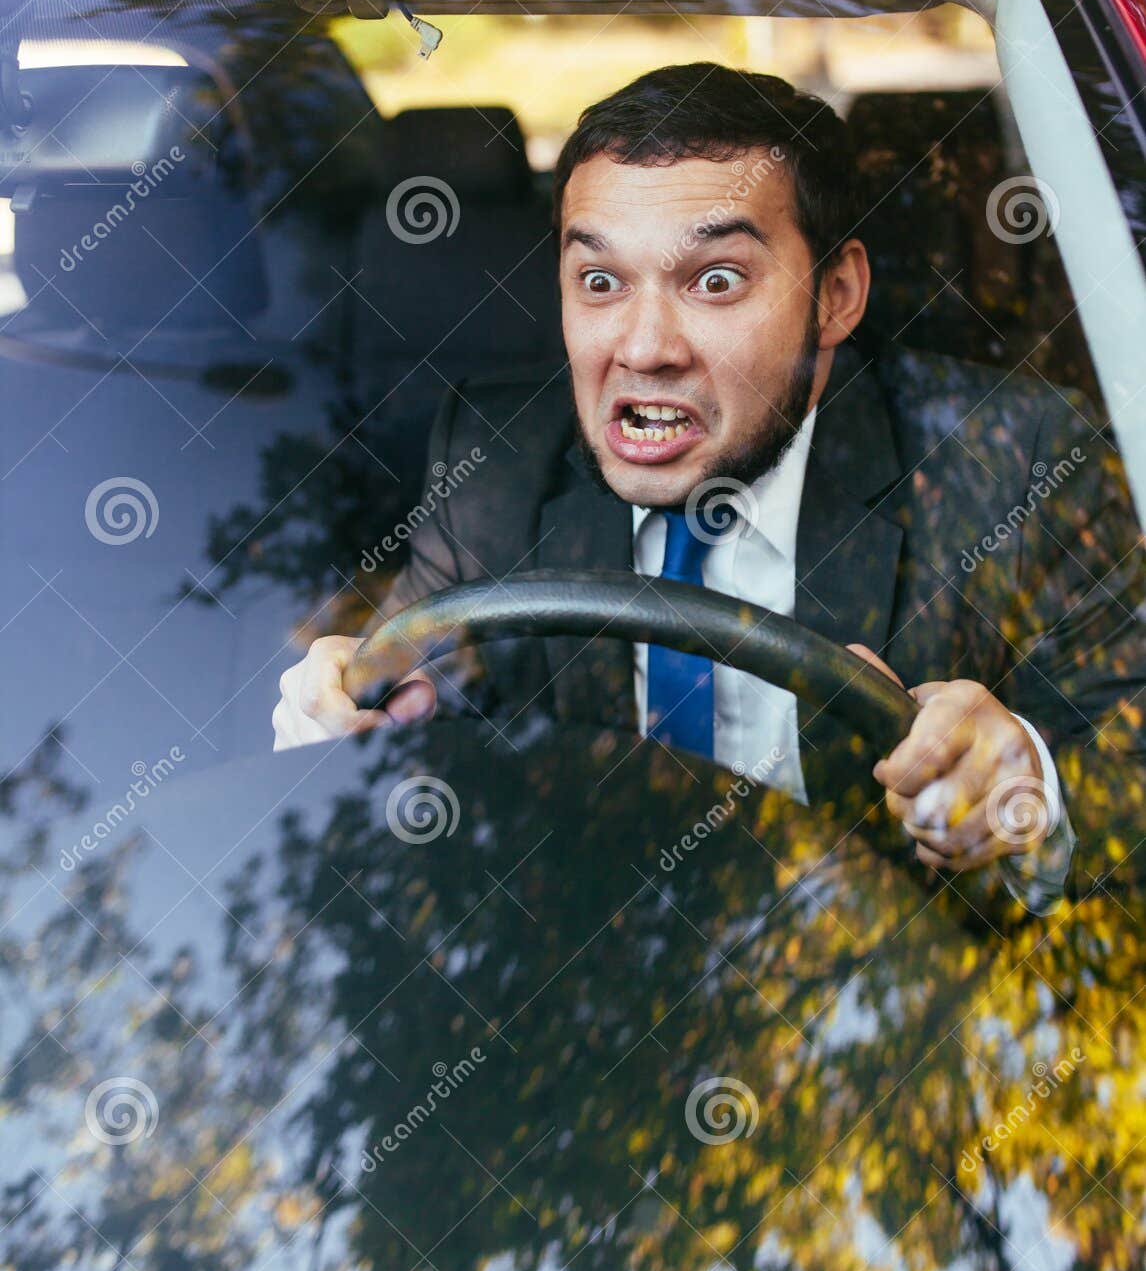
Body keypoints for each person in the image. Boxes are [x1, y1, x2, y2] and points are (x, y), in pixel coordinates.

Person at [273, 62, 1146, 908]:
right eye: (601, 281)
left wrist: (1032, 790)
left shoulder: (1016, 464)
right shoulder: (495, 467)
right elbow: (421, 708)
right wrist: (341, 729)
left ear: (836, 295)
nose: (645, 346)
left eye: (715, 281)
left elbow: (1129, 790)